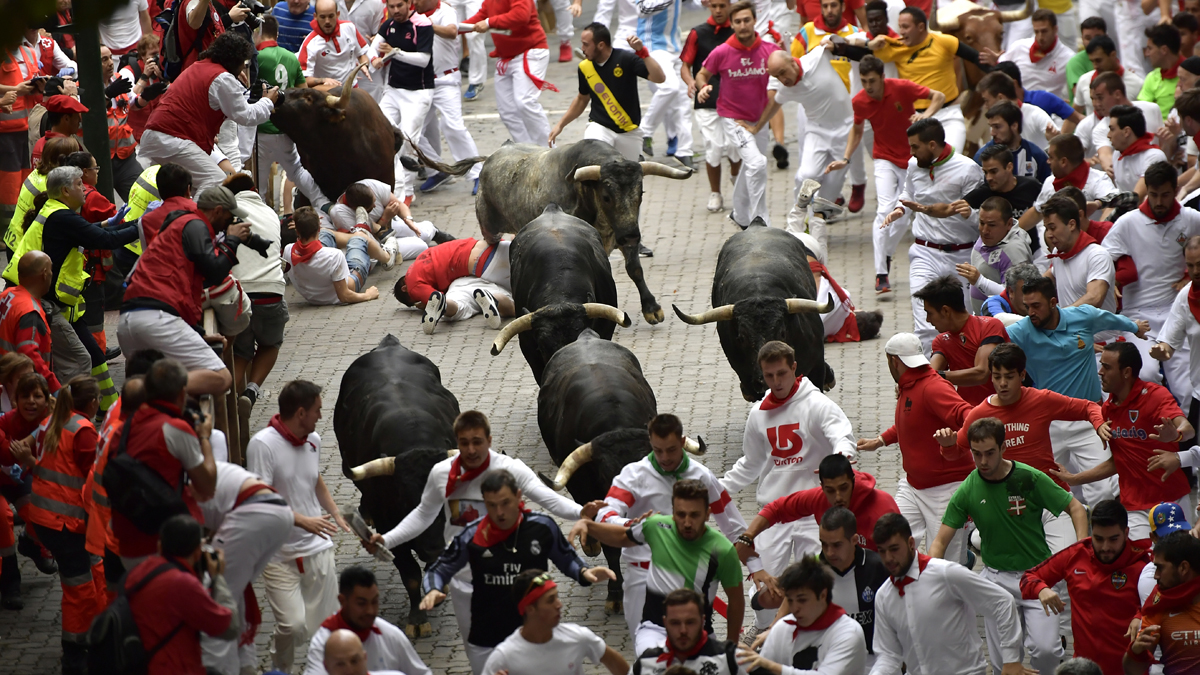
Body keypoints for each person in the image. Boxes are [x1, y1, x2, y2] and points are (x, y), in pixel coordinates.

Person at [365, 410, 602, 663]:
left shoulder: (509, 469)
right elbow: (424, 514)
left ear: (489, 440)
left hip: (514, 581)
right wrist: (386, 540)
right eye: (464, 442)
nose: (471, 449)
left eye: (477, 441)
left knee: (525, 656)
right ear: (456, 443)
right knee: (481, 657)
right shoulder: (441, 473)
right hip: (467, 584)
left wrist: (582, 512)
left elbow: (548, 498)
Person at [931, 417, 1089, 674]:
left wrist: (1082, 550)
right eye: (977, 454)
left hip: (1038, 578)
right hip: (996, 583)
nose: (983, 461)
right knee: (1002, 664)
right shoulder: (968, 489)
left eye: (990, 453)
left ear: (1003, 449)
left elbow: (1075, 508)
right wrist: (931, 576)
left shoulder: (1028, 478)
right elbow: (939, 541)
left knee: (1047, 652)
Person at [421, 470, 614, 674]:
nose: (499, 512)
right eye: (492, 505)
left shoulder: (542, 527)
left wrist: (584, 573)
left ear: (518, 496)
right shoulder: (471, 535)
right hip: (487, 641)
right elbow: (439, 568)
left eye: (505, 503)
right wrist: (432, 588)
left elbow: (567, 558)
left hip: (537, 636)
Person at [722, 340, 856, 630]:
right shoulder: (758, 413)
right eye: (769, 376)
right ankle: (763, 633)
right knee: (765, 587)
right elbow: (751, 463)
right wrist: (716, 489)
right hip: (773, 515)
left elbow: (842, 436)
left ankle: (819, 637)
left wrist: (840, 460)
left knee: (818, 585)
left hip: (813, 515)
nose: (776, 382)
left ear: (794, 368)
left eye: (781, 373)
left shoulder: (817, 404)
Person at [595, 414, 754, 641]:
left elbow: (732, 524)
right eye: (658, 450)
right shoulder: (634, 475)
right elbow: (605, 514)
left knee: (694, 646)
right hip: (642, 577)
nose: (664, 457)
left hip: (689, 571)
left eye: (670, 449)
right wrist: (633, 525)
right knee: (648, 649)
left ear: (682, 442)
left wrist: (755, 566)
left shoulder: (702, 476)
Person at [942, 343, 1114, 535]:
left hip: (1051, 497)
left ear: (1022, 376)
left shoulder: (1041, 400)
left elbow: (1087, 407)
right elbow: (956, 451)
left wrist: (1099, 424)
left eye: (1009, 377)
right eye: (997, 377)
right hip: (1009, 503)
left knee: (1060, 559)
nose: (1002, 384)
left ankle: (1078, 520)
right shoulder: (979, 414)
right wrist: (948, 446)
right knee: (981, 541)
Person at [569, 479, 745, 655]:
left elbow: (736, 601)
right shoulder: (656, 526)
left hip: (700, 634)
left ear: (707, 514)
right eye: (681, 515)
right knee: (653, 663)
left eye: (695, 515)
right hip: (654, 630)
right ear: (672, 512)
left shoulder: (723, 550)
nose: (687, 522)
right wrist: (588, 525)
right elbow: (621, 537)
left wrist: (730, 646)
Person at [247, 380, 349, 675]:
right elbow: (260, 499)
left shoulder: (313, 439)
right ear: (301, 412)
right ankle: (282, 668)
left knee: (328, 626)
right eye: (317, 410)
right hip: (279, 555)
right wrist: (304, 520)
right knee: (292, 625)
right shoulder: (262, 445)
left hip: (318, 549)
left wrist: (333, 512)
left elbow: (314, 478)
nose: (321, 415)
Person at [825, 54, 943, 293]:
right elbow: (856, 131)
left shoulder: (902, 88)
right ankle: (881, 273)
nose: (868, 87)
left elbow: (938, 96)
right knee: (884, 209)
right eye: (864, 81)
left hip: (911, 160)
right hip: (884, 159)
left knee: (904, 213)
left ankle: (886, 254)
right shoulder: (859, 101)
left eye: (872, 81)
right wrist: (846, 159)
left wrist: (927, 114)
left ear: (882, 77)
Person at [118, 185, 248, 396]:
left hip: (129, 321)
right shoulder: (195, 225)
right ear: (217, 211)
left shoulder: (175, 229)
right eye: (228, 218)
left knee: (152, 410)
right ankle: (150, 388)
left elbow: (177, 291)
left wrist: (198, 334)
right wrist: (232, 241)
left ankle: (142, 390)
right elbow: (215, 272)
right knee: (220, 378)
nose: (228, 225)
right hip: (156, 320)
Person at [1055, 343, 1194, 538]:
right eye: (1101, 365)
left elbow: (1188, 429)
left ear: (1127, 372)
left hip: (1172, 500)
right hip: (1134, 508)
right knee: (1143, 565)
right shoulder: (1108, 409)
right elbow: (1119, 461)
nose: (1100, 372)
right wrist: (1075, 479)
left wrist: (1176, 436)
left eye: (1107, 367)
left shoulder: (1156, 395)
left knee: (1179, 562)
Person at [858, 333, 974, 561]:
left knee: (944, 565)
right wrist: (880, 441)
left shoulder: (932, 388)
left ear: (894, 361)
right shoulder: (909, 384)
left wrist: (955, 442)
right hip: (912, 487)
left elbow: (969, 416)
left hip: (947, 491)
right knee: (889, 541)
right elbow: (912, 422)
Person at [29, 166, 137, 412]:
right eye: (80, 185)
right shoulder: (62, 217)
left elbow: (95, 233)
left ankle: (108, 411)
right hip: (49, 306)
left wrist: (123, 223)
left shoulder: (58, 212)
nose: (84, 190)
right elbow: (104, 240)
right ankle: (69, 413)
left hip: (60, 304)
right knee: (81, 360)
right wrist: (141, 227)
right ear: (65, 190)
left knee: (96, 357)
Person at [870, 512, 1029, 675]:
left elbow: (1002, 602)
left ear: (911, 543)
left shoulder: (945, 574)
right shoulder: (883, 596)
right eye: (882, 551)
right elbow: (888, 655)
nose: (888, 558)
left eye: (894, 549)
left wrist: (1011, 659)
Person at [19, 376, 102, 673]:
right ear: (92, 403)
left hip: (43, 518)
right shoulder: (83, 432)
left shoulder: (53, 421)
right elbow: (94, 482)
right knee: (79, 590)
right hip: (66, 525)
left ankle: (30, 540)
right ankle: (75, 652)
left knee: (83, 582)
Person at [881, 119, 984, 351]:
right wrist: (900, 208)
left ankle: (965, 374)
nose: (911, 152)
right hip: (924, 253)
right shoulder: (913, 165)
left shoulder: (967, 169)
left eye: (915, 147)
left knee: (965, 320)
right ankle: (932, 379)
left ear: (932, 144)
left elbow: (980, 216)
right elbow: (908, 192)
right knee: (926, 325)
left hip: (962, 256)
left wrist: (969, 215)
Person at [1019, 499, 1152, 675]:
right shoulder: (1076, 554)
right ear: (1091, 532)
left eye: (1113, 539)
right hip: (1086, 670)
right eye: (1099, 539)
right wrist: (1041, 589)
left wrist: (1141, 615)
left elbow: (1163, 602)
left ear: (1126, 533)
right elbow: (1028, 578)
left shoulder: (1145, 564)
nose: (1105, 547)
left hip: (1131, 669)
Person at [1104, 161, 1200, 403]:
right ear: (1146, 190)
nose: (1159, 202)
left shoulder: (1191, 219)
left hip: (1177, 311)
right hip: (1137, 315)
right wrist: (1112, 277)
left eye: (1165, 195)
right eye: (1153, 194)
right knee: (1144, 374)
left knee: (1189, 388)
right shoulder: (1127, 222)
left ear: (1175, 189)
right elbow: (1102, 258)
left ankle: (1184, 440)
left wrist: (1189, 275)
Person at [110, 359, 217, 569]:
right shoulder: (174, 429)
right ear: (181, 393)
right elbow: (207, 485)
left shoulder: (124, 428)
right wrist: (204, 437)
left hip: (127, 542)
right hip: (166, 546)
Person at [197, 460, 301, 675]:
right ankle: (246, 667)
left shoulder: (167, 482)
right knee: (234, 594)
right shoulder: (195, 457)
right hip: (277, 512)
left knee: (216, 598)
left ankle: (215, 669)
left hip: (255, 512)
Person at [139, 33, 277, 193]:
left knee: (187, 189)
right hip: (171, 137)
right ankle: (198, 219)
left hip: (160, 135)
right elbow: (246, 116)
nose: (243, 68)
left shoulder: (200, 66)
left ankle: (183, 216)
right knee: (215, 181)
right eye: (243, 63)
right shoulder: (222, 78)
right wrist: (268, 101)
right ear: (236, 60)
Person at [755, 507, 889, 665]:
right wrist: (773, 628)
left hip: (872, 659)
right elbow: (792, 596)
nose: (829, 552)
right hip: (826, 655)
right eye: (824, 544)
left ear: (854, 540)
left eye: (836, 545)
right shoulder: (815, 565)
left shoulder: (879, 567)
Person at [751, 46, 853, 237]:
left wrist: (835, 42)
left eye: (782, 73)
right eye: (777, 77)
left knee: (832, 186)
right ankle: (797, 219)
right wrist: (757, 128)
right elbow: (773, 106)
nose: (783, 80)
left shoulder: (817, 56)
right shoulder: (786, 89)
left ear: (792, 61)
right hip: (817, 131)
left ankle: (815, 225)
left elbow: (837, 43)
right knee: (805, 175)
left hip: (846, 130)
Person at [694, 1, 779, 227]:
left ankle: (739, 215)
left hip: (759, 121)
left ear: (754, 20)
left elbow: (787, 73)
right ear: (732, 24)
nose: (743, 25)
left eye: (747, 20)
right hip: (733, 120)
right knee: (758, 164)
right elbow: (702, 74)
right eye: (738, 21)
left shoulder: (770, 50)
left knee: (752, 165)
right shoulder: (722, 52)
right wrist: (703, 87)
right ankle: (761, 219)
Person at [125, 515, 240, 675]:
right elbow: (230, 627)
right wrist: (218, 578)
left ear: (159, 546)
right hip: (168, 668)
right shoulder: (182, 584)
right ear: (198, 552)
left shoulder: (141, 570)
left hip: (138, 661)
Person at [549, 25, 664, 161]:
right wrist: (560, 125)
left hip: (629, 131)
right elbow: (581, 99)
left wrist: (642, 52)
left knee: (628, 177)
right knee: (593, 162)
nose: (582, 49)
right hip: (599, 127)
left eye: (586, 45)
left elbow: (659, 78)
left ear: (601, 45)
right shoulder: (585, 67)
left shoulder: (625, 59)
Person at [482, 568, 628, 675]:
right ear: (530, 609)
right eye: (551, 600)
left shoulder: (578, 637)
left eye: (557, 597)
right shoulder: (503, 656)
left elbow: (615, 662)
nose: (559, 605)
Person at [741, 454, 899, 552]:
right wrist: (747, 537)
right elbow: (776, 509)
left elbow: (900, 554)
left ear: (853, 481)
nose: (838, 497)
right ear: (822, 486)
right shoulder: (818, 497)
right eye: (830, 490)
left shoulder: (881, 508)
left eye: (843, 488)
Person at [253, 15, 332, 210]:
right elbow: (304, 92)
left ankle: (264, 224)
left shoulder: (256, 59)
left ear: (258, 33)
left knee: (259, 185)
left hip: (262, 130)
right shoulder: (291, 57)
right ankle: (324, 204)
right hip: (286, 129)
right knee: (296, 171)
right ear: (277, 34)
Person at [736, 557, 866, 675]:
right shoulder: (783, 628)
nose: (794, 608)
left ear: (822, 595)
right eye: (790, 600)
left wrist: (773, 667)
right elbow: (759, 667)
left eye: (802, 600)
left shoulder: (848, 633)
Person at [223, 174, 285, 412]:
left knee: (241, 350)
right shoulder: (271, 213)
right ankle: (252, 390)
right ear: (255, 189)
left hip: (240, 294)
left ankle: (227, 401)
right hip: (272, 291)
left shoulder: (227, 213)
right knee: (271, 344)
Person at [304, 566, 431, 675]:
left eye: (374, 602)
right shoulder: (322, 643)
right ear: (342, 601)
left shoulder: (391, 635)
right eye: (361, 603)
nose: (370, 610)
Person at [369, 0, 436, 202]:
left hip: (419, 92)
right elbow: (372, 48)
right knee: (382, 133)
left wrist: (394, 52)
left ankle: (406, 193)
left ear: (409, 3)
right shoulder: (388, 25)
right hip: (394, 90)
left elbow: (423, 59)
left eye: (400, 5)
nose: (396, 10)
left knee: (407, 140)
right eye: (392, 6)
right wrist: (374, 59)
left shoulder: (422, 24)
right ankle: (396, 188)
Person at [464, 0, 557, 147]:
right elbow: (479, 18)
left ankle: (549, 152)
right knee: (507, 111)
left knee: (525, 102)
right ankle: (528, 152)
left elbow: (521, 16)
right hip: (507, 56)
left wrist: (488, 22)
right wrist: (455, 28)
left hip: (531, 50)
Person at [414, 0, 483, 195]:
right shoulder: (410, 13)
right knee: (412, 131)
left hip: (446, 79)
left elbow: (452, 31)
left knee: (452, 125)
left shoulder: (445, 10)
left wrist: (428, 25)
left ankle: (478, 173)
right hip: (420, 81)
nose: (413, 3)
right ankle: (437, 170)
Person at [680, 0, 737, 213]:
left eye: (723, 5)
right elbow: (685, 65)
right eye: (714, 6)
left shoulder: (737, 30)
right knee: (713, 147)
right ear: (708, 6)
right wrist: (690, 82)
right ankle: (715, 193)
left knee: (735, 147)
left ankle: (736, 183)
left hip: (734, 99)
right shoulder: (698, 33)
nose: (719, 10)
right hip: (707, 100)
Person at [393, 234, 513, 335]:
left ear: (405, 289)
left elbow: (434, 297)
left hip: (483, 265)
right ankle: (493, 298)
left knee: (458, 305)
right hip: (490, 248)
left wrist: (428, 302)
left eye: (415, 301)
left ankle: (447, 306)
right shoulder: (420, 260)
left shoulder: (413, 286)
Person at [915, 275, 1009, 404]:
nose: (927, 320)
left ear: (945, 311)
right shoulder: (941, 341)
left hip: (1002, 410)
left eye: (929, 313)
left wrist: (935, 376)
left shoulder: (990, 326)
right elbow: (931, 372)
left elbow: (981, 373)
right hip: (967, 414)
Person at [626, 0, 695, 172]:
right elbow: (642, 8)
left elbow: (693, 5)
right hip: (652, 46)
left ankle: (684, 150)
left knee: (684, 100)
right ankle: (644, 133)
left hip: (674, 47)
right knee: (669, 87)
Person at [1125, 530, 1200, 673]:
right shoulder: (1158, 603)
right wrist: (1135, 652)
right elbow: (1133, 671)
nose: (1155, 576)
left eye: (1160, 568)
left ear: (1183, 568)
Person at [1021, 135, 1119, 239]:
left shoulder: (1098, 180)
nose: (1047, 161)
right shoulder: (1049, 181)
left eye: (1051, 157)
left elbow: (1110, 208)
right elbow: (1036, 212)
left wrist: (1095, 234)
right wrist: (1010, 235)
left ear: (1063, 162)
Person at [284, 206, 383, 307]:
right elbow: (345, 296)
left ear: (297, 231)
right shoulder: (334, 255)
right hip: (349, 285)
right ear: (318, 227)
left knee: (326, 234)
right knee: (359, 240)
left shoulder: (289, 251)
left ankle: (358, 231)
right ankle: (383, 250)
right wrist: (368, 295)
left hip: (314, 296)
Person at [630, 589, 742, 675]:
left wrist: (760, 663)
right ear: (665, 622)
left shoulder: (728, 657)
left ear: (703, 621)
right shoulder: (647, 661)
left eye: (690, 622)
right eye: (675, 623)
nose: (683, 630)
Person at [963, 147, 1044, 264]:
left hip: (1032, 256)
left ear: (1009, 167)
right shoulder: (983, 192)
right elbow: (952, 208)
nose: (989, 178)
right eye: (985, 172)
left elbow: (1049, 207)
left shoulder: (1031, 186)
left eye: (994, 171)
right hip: (995, 259)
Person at [1041, 195, 1117, 314]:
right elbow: (1048, 277)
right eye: (1046, 229)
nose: (1049, 235)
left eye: (1052, 228)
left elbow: (1094, 298)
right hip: (1068, 331)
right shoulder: (1057, 253)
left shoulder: (1097, 255)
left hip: (1097, 333)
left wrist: (1058, 316)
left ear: (1071, 224)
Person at [958, 198, 1033, 315]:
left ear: (1008, 224)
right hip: (982, 320)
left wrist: (979, 281)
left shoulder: (1014, 251)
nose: (984, 230)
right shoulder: (992, 237)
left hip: (1003, 326)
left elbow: (1018, 297)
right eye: (982, 223)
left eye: (992, 225)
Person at [0, 251, 60, 392]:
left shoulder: (7, 295)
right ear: (44, 274)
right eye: (51, 270)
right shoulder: (29, 311)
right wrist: (53, 387)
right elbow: (29, 354)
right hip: (18, 388)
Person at [995, 10, 1074, 100]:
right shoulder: (1019, 47)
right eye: (1036, 32)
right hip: (1018, 107)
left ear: (1055, 29)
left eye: (1044, 31)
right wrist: (995, 63)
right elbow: (999, 72)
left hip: (1049, 110)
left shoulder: (1069, 58)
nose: (1040, 37)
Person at [301, 0, 372, 91]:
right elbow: (303, 80)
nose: (327, 21)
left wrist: (364, 65)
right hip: (327, 94)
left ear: (337, 14)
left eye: (331, 16)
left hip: (352, 89)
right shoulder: (310, 43)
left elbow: (362, 54)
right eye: (322, 17)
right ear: (315, 17)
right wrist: (323, 80)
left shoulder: (349, 27)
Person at [977, 72, 1055, 153]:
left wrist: (1053, 140)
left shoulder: (1036, 115)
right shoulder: (995, 122)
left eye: (986, 101)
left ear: (1001, 98)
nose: (985, 106)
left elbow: (1059, 144)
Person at [975, 102, 1051, 180]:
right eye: (991, 127)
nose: (992, 133)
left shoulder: (1037, 156)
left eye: (997, 127)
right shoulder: (981, 157)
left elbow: (1046, 189)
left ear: (1014, 126)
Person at [1075, 35, 1144, 116]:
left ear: (1113, 55)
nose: (1095, 66)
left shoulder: (1137, 83)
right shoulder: (1084, 80)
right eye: (1092, 61)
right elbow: (1074, 115)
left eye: (1098, 60)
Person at [1108, 104, 1168, 195]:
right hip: (1124, 208)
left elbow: (1137, 197)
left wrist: (1100, 204)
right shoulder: (1117, 154)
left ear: (1126, 132)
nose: (1108, 135)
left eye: (1112, 129)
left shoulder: (1154, 157)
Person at [1138, 24, 1184, 120]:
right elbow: (1141, 111)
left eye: (1150, 48)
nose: (1147, 54)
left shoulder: (1192, 74)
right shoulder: (1151, 77)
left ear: (1164, 50)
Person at [30, 94, 85, 166]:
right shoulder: (66, 148)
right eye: (77, 116)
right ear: (66, 118)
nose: (80, 121)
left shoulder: (40, 143)